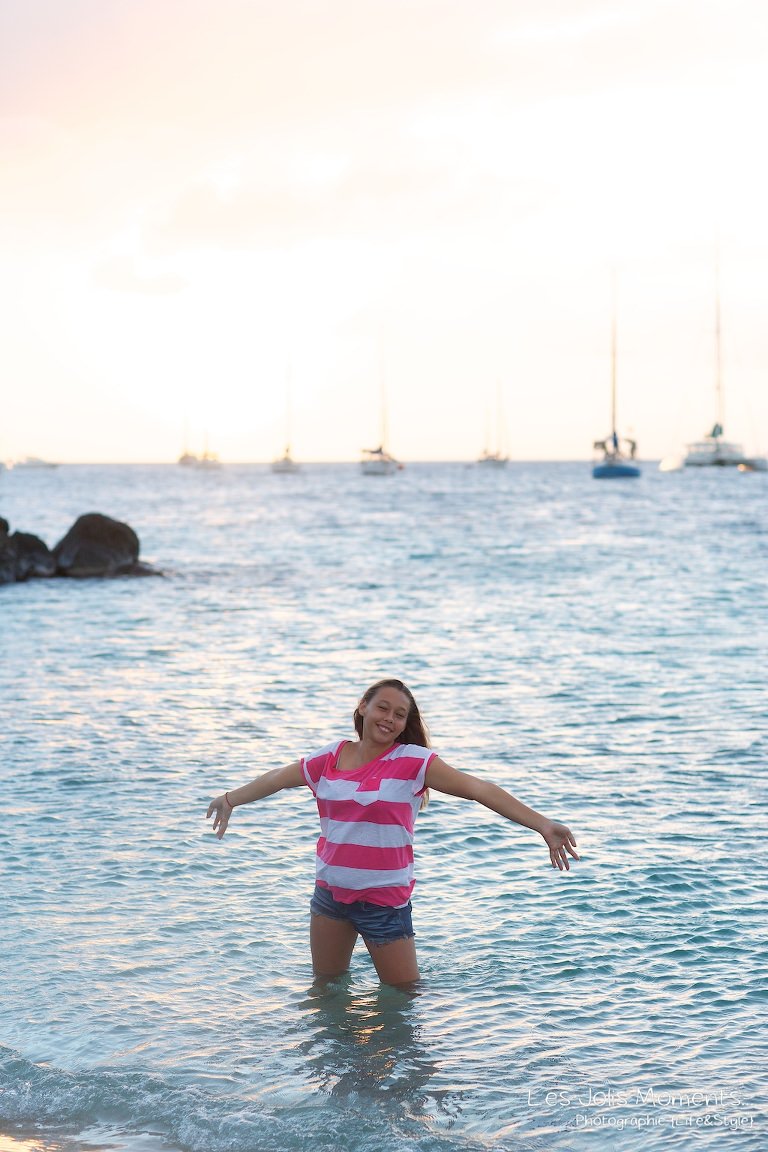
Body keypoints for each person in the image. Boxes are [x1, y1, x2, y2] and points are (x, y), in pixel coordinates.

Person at [206, 678, 579, 988]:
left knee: (402, 1001)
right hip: (331, 896)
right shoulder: (330, 757)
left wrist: (542, 825)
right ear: (363, 707)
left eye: (400, 715)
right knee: (326, 992)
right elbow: (277, 778)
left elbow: (478, 789)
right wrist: (230, 799)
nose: (389, 719)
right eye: (382, 708)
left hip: (384, 903)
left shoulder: (414, 762)